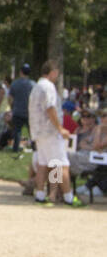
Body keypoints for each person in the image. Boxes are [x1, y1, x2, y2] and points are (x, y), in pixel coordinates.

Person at [28, 61, 82, 207]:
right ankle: (68, 196)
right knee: (60, 164)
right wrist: (60, 128)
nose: (57, 75)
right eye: (57, 72)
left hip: (38, 131)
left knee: (43, 164)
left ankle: (40, 195)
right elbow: (50, 108)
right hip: (50, 131)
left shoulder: (36, 87)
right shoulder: (49, 87)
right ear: (52, 72)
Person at [5, 63, 35, 153]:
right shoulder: (32, 84)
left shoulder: (15, 83)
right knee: (32, 131)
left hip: (17, 111)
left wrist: (12, 107)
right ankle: (35, 147)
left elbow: (10, 98)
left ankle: (15, 148)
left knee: (17, 131)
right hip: (29, 112)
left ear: (20, 72)